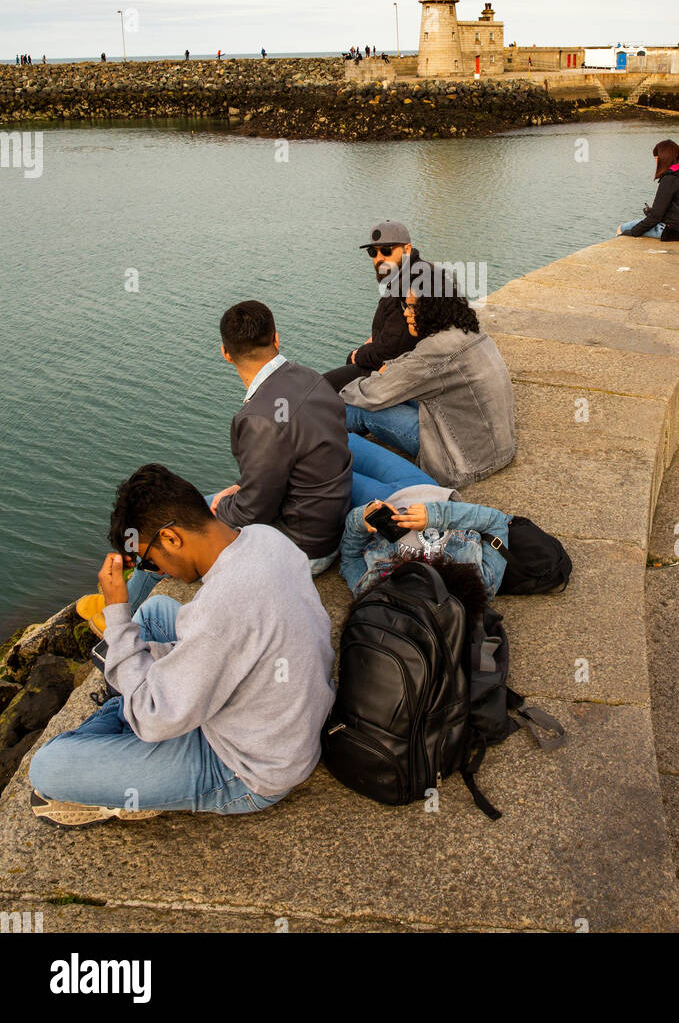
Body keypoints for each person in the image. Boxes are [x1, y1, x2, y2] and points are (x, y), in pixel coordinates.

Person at [29, 465, 335, 828]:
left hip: (249, 766)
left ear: (172, 538)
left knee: (48, 768)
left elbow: (154, 720)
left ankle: (126, 699)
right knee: (157, 610)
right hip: (284, 717)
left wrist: (115, 611)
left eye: (149, 560)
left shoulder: (220, 608)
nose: (155, 570)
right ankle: (133, 686)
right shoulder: (264, 537)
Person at [208, 301, 353, 577]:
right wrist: (242, 486)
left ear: (226, 353)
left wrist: (224, 506)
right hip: (328, 521)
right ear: (276, 338)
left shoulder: (258, 419)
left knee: (185, 519)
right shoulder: (309, 376)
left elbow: (252, 512)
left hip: (304, 549)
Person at [340, 275, 516, 490]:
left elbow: (373, 393)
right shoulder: (468, 330)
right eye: (405, 305)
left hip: (463, 459)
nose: (406, 313)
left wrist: (342, 393)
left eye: (412, 307)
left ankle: (313, 434)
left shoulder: (436, 351)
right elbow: (407, 374)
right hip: (493, 446)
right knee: (396, 393)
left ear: (433, 309)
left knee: (362, 407)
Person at [340, 492, 511, 601]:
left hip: (385, 498)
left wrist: (362, 517)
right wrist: (436, 515)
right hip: (431, 491)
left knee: (334, 457)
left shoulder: (370, 591)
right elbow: (497, 521)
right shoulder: (478, 586)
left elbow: (349, 558)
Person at [322, 220, 426, 393]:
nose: (379, 259)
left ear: (407, 249)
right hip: (397, 366)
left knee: (317, 388)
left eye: (386, 250)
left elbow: (391, 349)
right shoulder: (411, 274)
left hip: (398, 374)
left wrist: (358, 354)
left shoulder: (409, 286)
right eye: (373, 252)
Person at [617, 140, 679, 240]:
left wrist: (633, 232)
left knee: (622, 228)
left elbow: (656, 216)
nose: (656, 162)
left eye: (656, 158)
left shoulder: (669, 179)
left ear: (663, 158)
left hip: (672, 230)